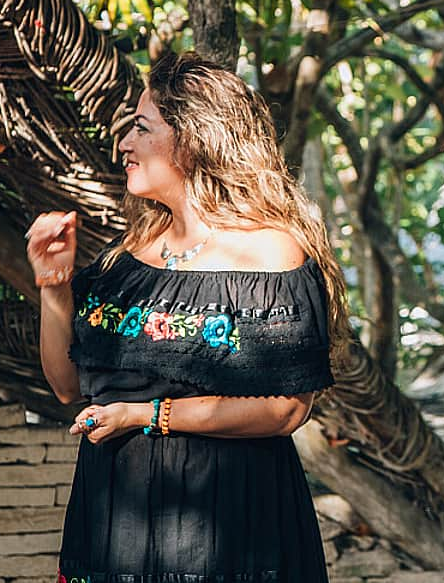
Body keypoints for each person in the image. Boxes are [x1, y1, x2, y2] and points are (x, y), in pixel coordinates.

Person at [26, 52, 346, 582]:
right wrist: (54, 286)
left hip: (228, 533)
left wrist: (145, 416)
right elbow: (67, 386)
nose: (124, 143)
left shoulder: (270, 256)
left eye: (141, 128)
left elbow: (286, 409)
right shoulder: (128, 255)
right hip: (114, 530)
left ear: (195, 140)